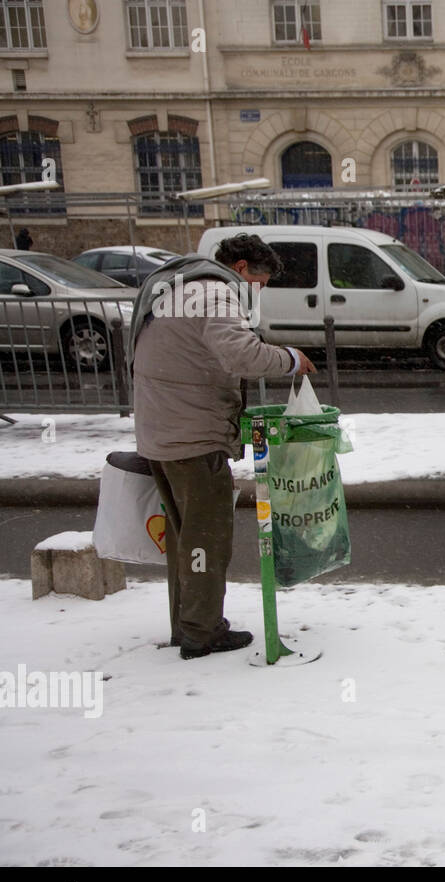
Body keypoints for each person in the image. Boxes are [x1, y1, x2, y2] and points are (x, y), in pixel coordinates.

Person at [132, 234, 317, 660]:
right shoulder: (216, 292)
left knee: (185, 536)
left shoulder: (178, 285)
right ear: (240, 269)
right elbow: (240, 355)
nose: (260, 292)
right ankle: (202, 632)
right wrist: (289, 358)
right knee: (206, 537)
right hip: (191, 437)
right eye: (261, 282)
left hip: (163, 430)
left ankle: (188, 623)